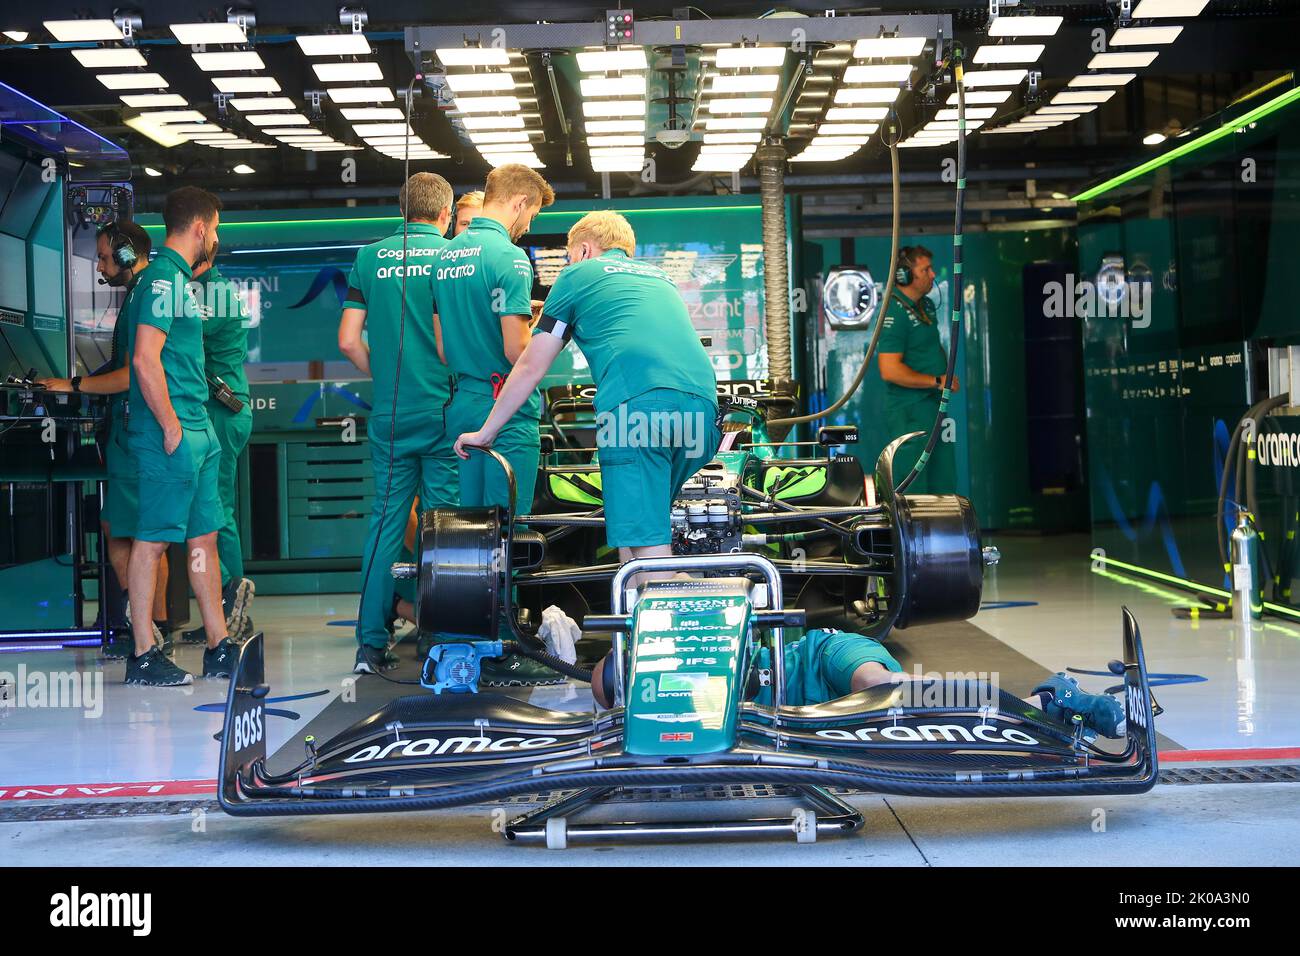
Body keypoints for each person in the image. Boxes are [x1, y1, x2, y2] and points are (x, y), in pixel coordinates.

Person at [453, 210, 721, 687]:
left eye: (568, 255)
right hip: (702, 413)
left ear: (582, 249)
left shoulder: (577, 274)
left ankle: (681, 679)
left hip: (637, 412)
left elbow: (531, 364)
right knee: (637, 539)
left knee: (651, 560)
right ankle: (635, 656)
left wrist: (487, 431)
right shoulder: (658, 277)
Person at [431, 163, 555, 685]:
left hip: (462, 401)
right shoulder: (509, 257)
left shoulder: (445, 256)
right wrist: (545, 331)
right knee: (509, 530)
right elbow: (513, 349)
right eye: (532, 214)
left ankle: (472, 645)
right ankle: (505, 646)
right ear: (520, 202)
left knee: (472, 533)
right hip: (505, 407)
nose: (528, 225)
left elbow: (443, 348)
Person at [589, 625, 1126, 739]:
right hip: (814, 717)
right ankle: (1044, 701)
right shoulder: (666, 714)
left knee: (888, 693)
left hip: (823, 658)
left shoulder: (689, 643)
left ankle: (1052, 699)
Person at [339, 172, 459, 674]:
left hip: (389, 414)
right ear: (445, 214)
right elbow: (451, 341)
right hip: (444, 411)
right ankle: (441, 639)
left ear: (402, 210)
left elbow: (348, 340)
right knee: (442, 528)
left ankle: (369, 644)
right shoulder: (453, 257)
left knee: (385, 524)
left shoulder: (368, 258)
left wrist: (387, 375)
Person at [122, 186, 239, 686]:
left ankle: (219, 646)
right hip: (170, 433)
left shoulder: (178, 280)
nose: (215, 238)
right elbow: (144, 359)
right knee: (151, 541)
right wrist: (171, 425)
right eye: (215, 229)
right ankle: (143, 654)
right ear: (200, 228)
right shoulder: (162, 280)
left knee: (203, 540)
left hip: (199, 427)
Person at [38, 222, 170, 659]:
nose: (99, 266)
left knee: (140, 532)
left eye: (104, 257)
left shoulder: (144, 293)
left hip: (137, 431)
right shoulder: (140, 293)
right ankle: (148, 625)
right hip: (131, 431)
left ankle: (147, 628)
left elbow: (131, 373)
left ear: (128, 254)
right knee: (128, 528)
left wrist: (74, 385)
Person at [179, 250, 255, 645]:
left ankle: (231, 600)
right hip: (218, 409)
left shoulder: (216, 294)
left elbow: (181, 338)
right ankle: (226, 608)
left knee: (217, 508)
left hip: (222, 411)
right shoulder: (202, 291)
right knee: (212, 508)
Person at [876, 245, 958, 494]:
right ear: (904, 275)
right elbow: (889, 370)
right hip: (909, 411)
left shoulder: (926, 305)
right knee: (914, 485)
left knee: (942, 480)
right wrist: (937, 380)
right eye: (926, 270)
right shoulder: (894, 311)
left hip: (933, 407)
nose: (933, 275)